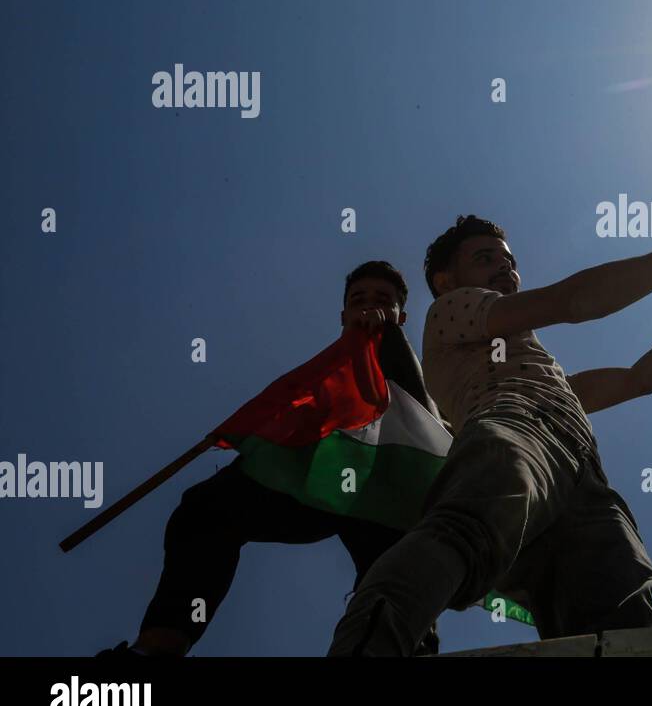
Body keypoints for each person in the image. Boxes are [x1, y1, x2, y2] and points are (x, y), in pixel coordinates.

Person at [328, 214, 652, 655]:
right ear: (445, 280)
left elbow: (638, 380)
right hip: (514, 428)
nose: (504, 268)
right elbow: (573, 301)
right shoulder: (453, 310)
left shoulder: (540, 369)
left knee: (618, 601)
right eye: (484, 258)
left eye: (508, 260)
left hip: (581, 469)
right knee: (467, 529)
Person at [98, 261, 443, 657]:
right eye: (358, 300)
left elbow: (427, 418)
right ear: (342, 314)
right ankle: (159, 646)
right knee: (205, 509)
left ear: (401, 314)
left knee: (393, 571)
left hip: (387, 485)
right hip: (318, 477)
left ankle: (406, 649)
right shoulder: (326, 373)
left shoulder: (411, 367)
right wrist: (255, 427)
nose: (369, 307)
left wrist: (390, 337)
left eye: (383, 300)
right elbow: (294, 408)